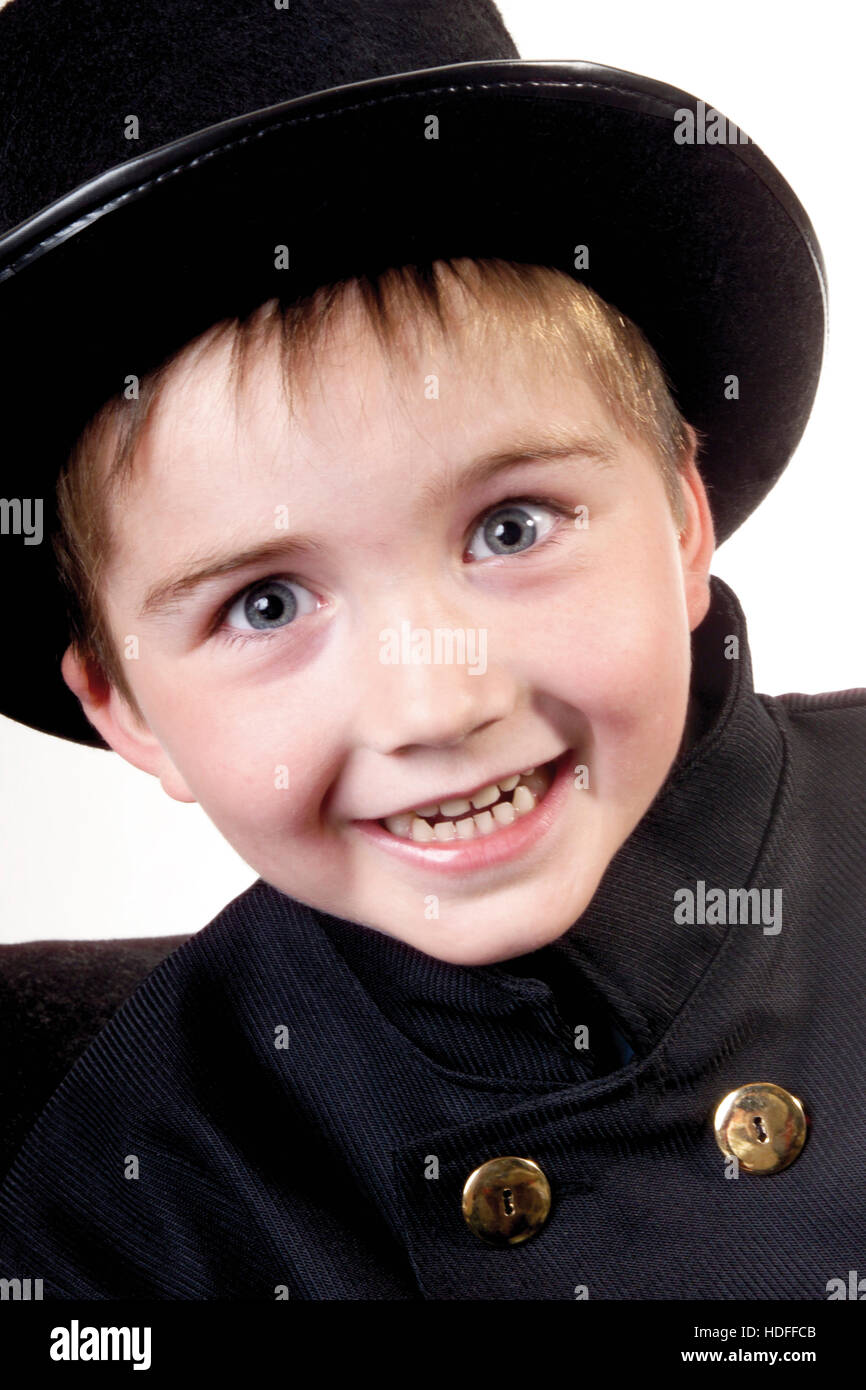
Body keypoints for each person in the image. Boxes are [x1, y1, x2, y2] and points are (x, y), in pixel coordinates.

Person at [0, 0, 863, 1300]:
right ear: (128, 709)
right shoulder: (131, 1208)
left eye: (510, 527)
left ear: (683, 521)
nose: (436, 697)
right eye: (266, 604)